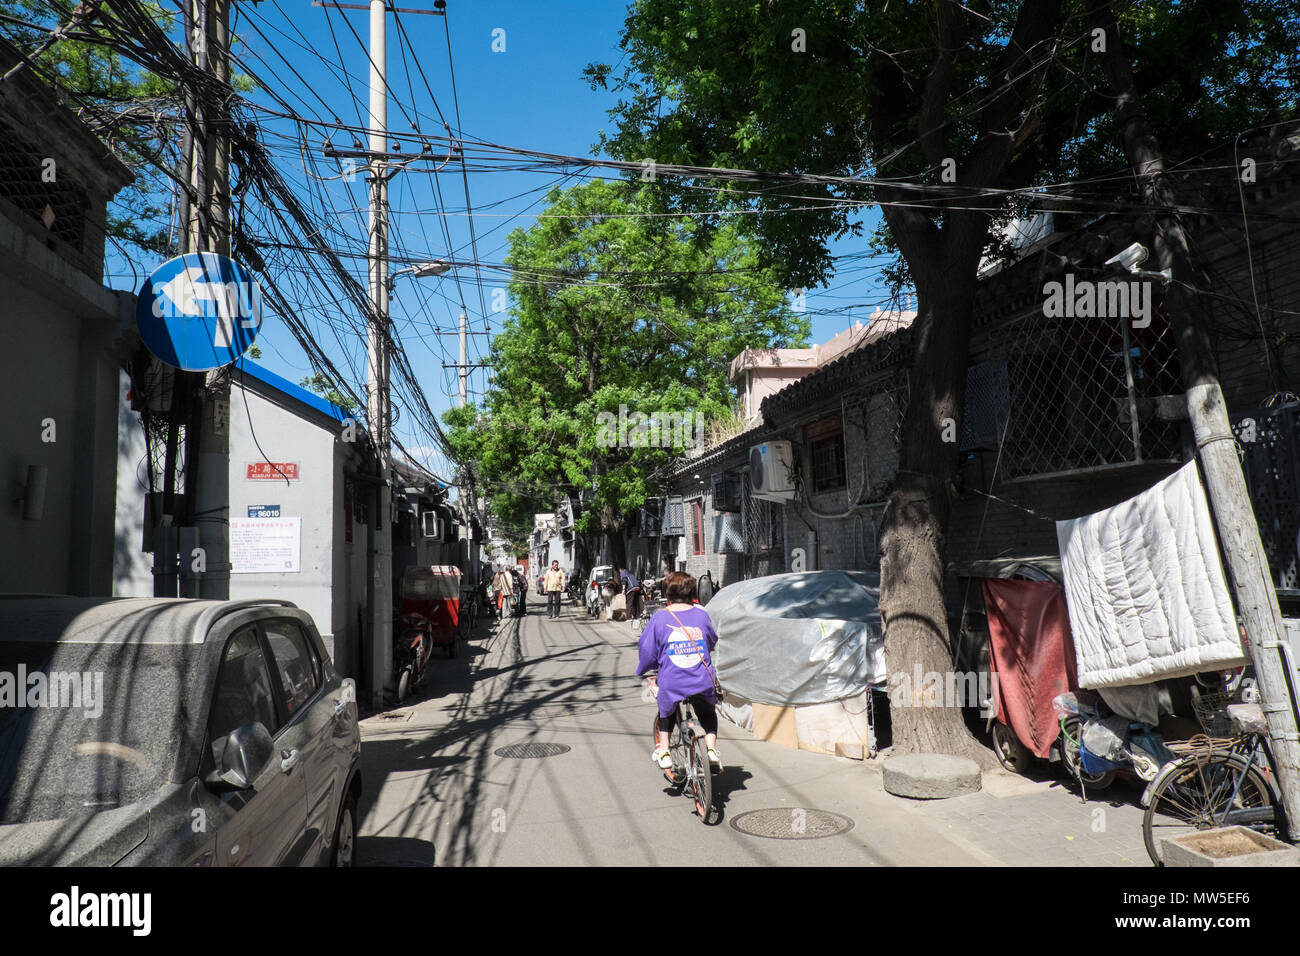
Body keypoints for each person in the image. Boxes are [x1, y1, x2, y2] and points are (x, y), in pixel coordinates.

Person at [635, 570, 722, 773]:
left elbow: (647, 650)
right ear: (692, 592)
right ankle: (710, 749)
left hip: (673, 680)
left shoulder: (659, 618)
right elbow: (711, 641)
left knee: (666, 709)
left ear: (667, 593)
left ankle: (664, 751)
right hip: (702, 678)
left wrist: (645, 668)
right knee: (707, 711)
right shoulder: (701, 614)